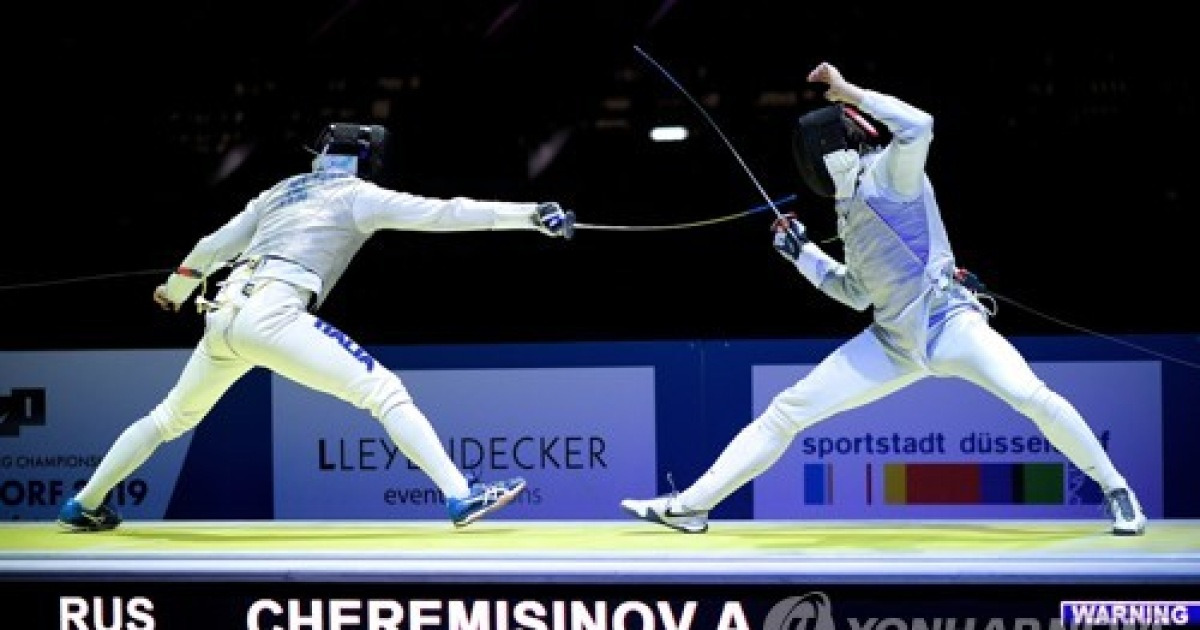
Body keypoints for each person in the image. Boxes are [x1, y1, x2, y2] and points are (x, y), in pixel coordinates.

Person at [620, 62, 1147, 536]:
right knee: (786, 413)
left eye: (827, 147)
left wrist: (851, 90)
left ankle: (1117, 490)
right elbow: (855, 293)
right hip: (892, 341)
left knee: (1032, 397)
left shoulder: (895, 175)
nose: (821, 160)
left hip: (950, 325)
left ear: (848, 141)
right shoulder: (847, 207)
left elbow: (920, 124)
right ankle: (690, 507)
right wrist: (802, 255)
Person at [58, 122, 576, 532]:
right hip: (274, 312)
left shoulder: (279, 191)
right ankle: (460, 495)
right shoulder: (358, 195)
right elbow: (445, 214)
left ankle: (85, 504)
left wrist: (174, 291)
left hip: (224, 316)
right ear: (368, 159)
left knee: (170, 416)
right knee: (383, 391)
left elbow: (212, 249)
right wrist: (532, 213)